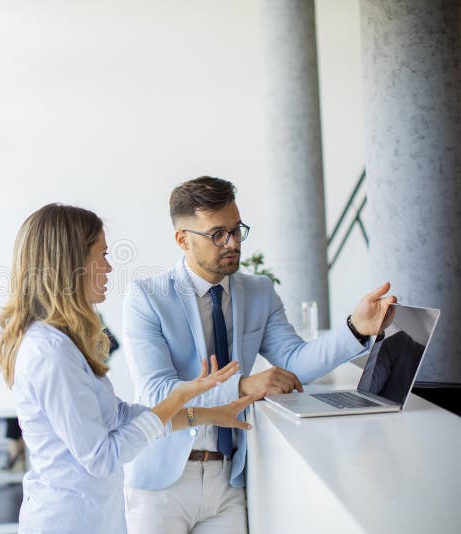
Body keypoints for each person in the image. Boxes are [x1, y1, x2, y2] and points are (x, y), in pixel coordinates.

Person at [122, 176, 396, 534]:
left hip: (228, 481)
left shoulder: (259, 291)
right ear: (183, 239)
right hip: (161, 484)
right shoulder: (147, 298)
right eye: (218, 234)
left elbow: (294, 360)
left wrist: (356, 328)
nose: (233, 242)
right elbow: (156, 393)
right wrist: (242, 386)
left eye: (237, 230)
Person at [0, 203, 261, 534]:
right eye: (102, 255)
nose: (109, 268)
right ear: (73, 264)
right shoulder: (49, 353)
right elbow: (102, 456)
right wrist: (177, 396)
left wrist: (206, 414)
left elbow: (119, 416)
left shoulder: (63, 343)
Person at [0, 315, 120, 472]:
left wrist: (86, 364)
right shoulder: (47, 344)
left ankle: (15, 445)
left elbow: (113, 344)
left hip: (80, 464)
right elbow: (99, 458)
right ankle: (15, 444)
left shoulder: (53, 344)